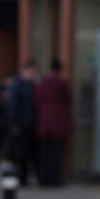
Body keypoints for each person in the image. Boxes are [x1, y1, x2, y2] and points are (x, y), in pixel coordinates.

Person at [33, 58, 73, 186]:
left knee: (44, 151)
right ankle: (54, 178)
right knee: (57, 152)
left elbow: (36, 100)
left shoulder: (42, 83)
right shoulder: (61, 83)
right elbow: (68, 100)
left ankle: (44, 177)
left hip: (44, 122)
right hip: (58, 122)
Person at [6, 60, 38, 185]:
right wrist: (14, 124)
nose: (33, 74)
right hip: (21, 124)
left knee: (27, 152)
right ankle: (21, 177)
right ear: (25, 71)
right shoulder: (18, 85)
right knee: (20, 153)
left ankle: (24, 177)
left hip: (30, 124)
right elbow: (13, 106)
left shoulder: (31, 85)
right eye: (31, 71)